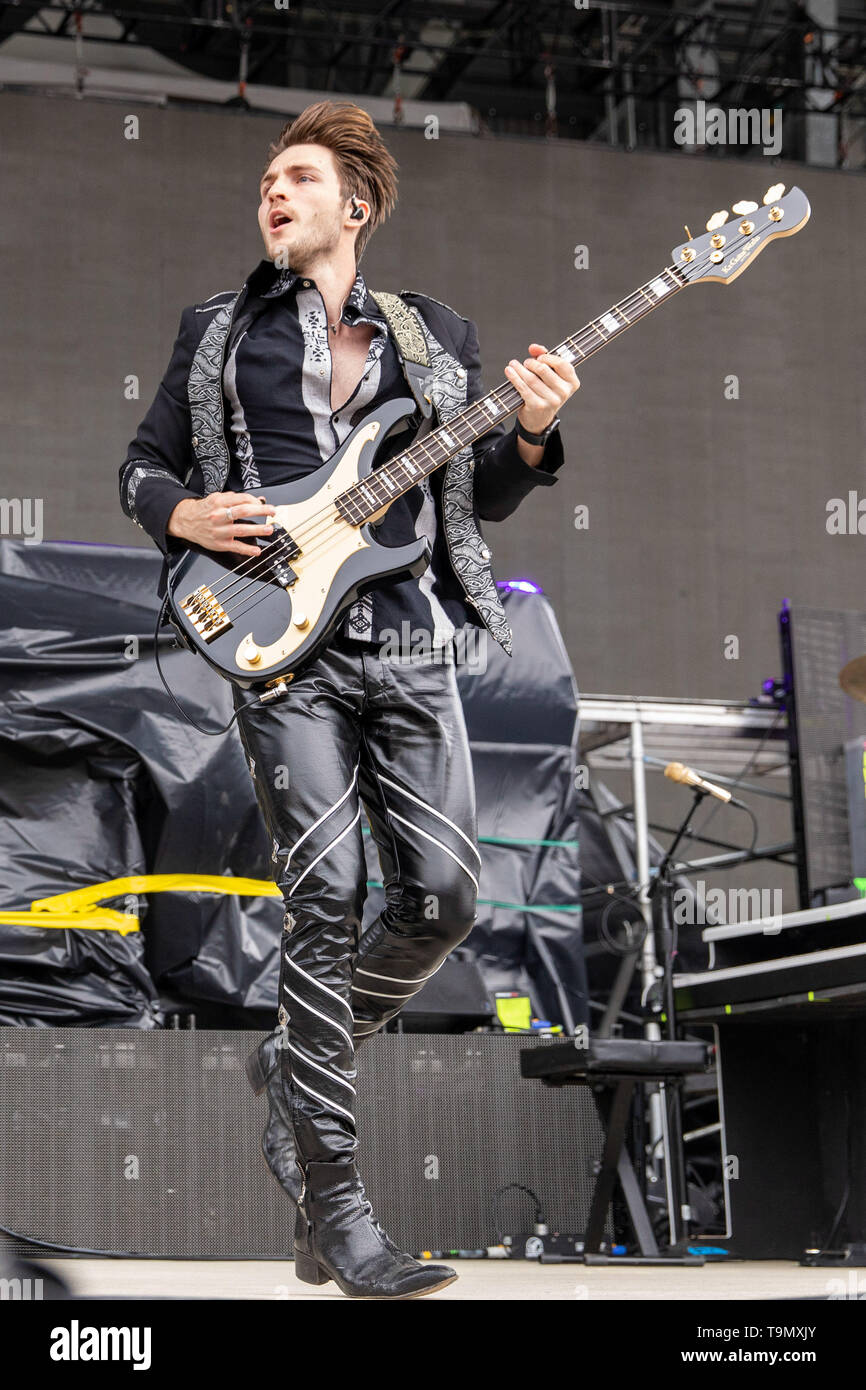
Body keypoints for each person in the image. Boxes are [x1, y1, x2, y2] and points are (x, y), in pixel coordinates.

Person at [120, 99, 579, 1298]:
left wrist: (528, 430)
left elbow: (469, 491)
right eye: (265, 180)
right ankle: (339, 1213)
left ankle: (294, 1064)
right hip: (281, 650)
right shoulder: (218, 331)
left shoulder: (433, 336)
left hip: (406, 644)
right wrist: (182, 514)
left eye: (297, 177)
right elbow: (142, 463)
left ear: (354, 205)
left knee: (439, 900)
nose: (272, 192)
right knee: (323, 894)